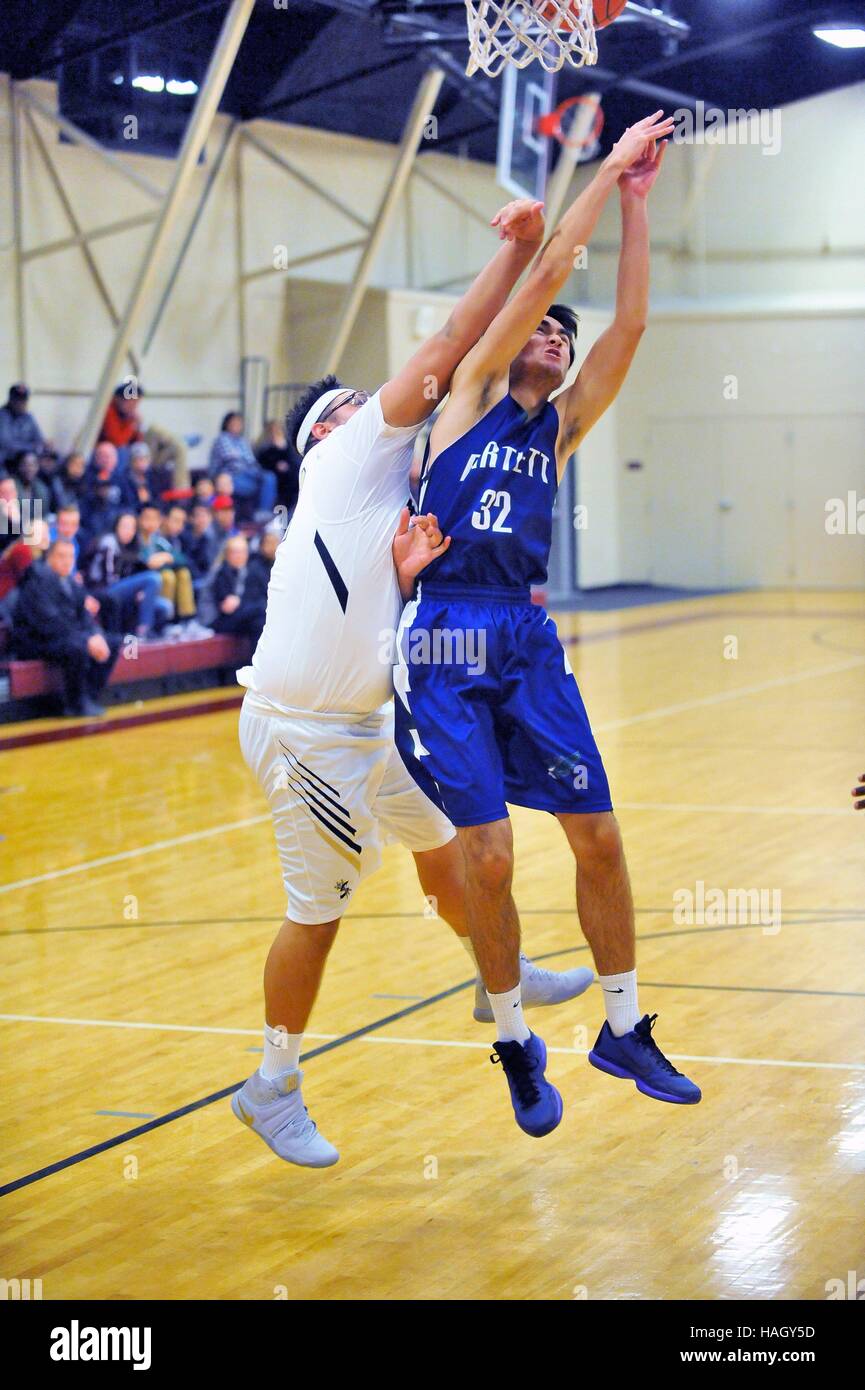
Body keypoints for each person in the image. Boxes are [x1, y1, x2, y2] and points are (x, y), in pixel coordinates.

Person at [231, 196, 593, 1169]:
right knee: (319, 912)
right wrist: (519, 252)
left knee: (439, 846)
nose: (376, 400)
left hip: (361, 722)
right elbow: (446, 348)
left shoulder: (390, 506)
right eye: (349, 400)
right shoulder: (351, 456)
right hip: (307, 732)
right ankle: (272, 1083)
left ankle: (495, 973)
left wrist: (402, 581)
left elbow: (375, 622)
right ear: (324, 434)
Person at [392, 113, 701, 1139]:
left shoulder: (558, 427)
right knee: (487, 859)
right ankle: (518, 1043)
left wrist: (640, 209)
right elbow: (547, 267)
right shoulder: (469, 393)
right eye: (544, 324)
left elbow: (632, 330)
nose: (556, 332)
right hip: (443, 636)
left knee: (600, 835)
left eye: (562, 332)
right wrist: (606, 170)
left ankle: (621, 1027)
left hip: (524, 639)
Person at [11, 538, 121, 717]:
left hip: (64, 637)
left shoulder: (70, 582)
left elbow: (84, 616)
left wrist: (95, 634)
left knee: (113, 642)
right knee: (77, 648)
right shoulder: (37, 581)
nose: (67, 561)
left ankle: (90, 696)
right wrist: (86, 640)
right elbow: (50, 624)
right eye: (61, 556)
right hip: (35, 642)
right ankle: (75, 703)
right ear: (49, 558)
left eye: (70, 556)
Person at [86, 511, 166, 639]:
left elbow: (135, 572)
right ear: (116, 526)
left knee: (164, 606)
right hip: (104, 589)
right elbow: (108, 578)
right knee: (153, 578)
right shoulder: (109, 543)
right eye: (125, 526)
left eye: (132, 527)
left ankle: (157, 632)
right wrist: (134, 590)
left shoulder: (133, 546)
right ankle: (144, 630)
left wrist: (138, 590)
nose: (128, 531)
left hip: (121, 588)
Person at [137, 503, 196, 631]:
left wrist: (165, 557)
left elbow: (181, 558)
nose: (151, 523)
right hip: (140, 582)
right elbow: (142, 562)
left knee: (183, 573)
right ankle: (165, 623)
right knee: (167, 576)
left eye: (154, 519)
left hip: (153, 579)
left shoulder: (158, 540)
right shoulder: (135, 539)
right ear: (139, 519)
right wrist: (154, 562)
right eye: (147, 518)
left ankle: (188, 620)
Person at [209, 412, 276, 519]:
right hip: (230, 475)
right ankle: (256, 515)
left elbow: (251, 460)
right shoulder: (222, 439)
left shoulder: (242, 440)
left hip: (247, 473)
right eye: (234, 422)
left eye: (239, 423)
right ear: (227, 424)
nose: (237, 425)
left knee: (269, 477)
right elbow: (233, 459)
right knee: (259, 485)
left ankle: (263, 513)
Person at [212, 535, 267, 645]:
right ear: (227, 554)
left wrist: (240, 602)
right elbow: (227, 607)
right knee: (259, 615)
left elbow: (261, 597)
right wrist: (243, 603)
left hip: (249, 615)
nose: (239, 555)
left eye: (242, 552)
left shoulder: (254, 571)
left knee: (259, 621)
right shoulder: (221, 573)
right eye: (235, 552)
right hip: (226, 620)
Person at [255, 419, 299, 517]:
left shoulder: (286, 443)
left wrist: (283, 447)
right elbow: (262, 461)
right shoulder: (264, 445)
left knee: (293, 474)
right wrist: (276, 463)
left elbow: (292, 459)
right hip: (271, 471)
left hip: (287, 473)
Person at [0, 384, 45, 472]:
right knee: (28, 461)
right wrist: (31, 447)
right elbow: (7, 444)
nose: (21, 403)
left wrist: (37, 447)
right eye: (18, 400)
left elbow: (39, 441)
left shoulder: (28, 417)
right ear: (10, 399)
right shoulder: (2, 416)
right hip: (5, 461)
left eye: (23, 400)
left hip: (24, 459)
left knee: (50, 462)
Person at [99, 384, 143, 451]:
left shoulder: (126, 415)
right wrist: (131, 423)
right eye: (131, 401)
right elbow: (117, 442)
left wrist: (139, 428)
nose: (134, 407)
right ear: (118, 398)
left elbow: (137, 444)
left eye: (136, 403)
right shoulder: (108, 411)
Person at [117, 441, 157, 511]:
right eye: (138, 459)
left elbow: (157, 500)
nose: (142, 462)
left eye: (145, 458)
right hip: (131, 513)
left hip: (150, 514)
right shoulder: (123, 479)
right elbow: (126, 504)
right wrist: (141, 502)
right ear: (132, 461)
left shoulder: (154, 476)